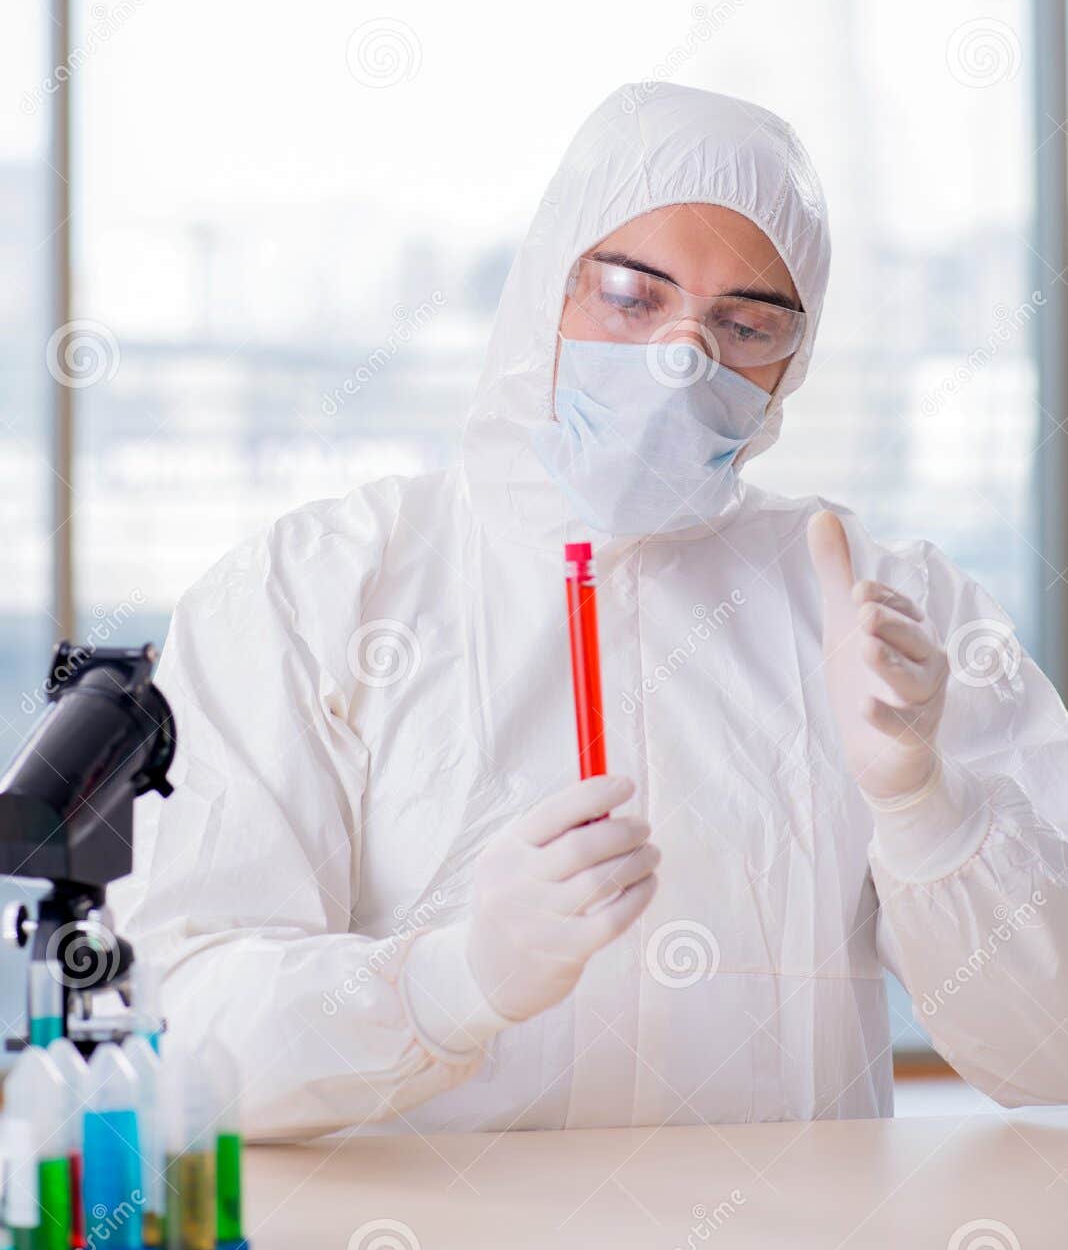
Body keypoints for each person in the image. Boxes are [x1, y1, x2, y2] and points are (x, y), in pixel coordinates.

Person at [112, 83, 1068, 1140]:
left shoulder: (885, 613)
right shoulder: (318, 591)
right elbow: (179, 1033)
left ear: (790, 364)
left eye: (746, 324)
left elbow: (1049, 1049)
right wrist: (452, 981)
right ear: (548, 288)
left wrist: (927, 804)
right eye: (631, 295)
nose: (680, 358)